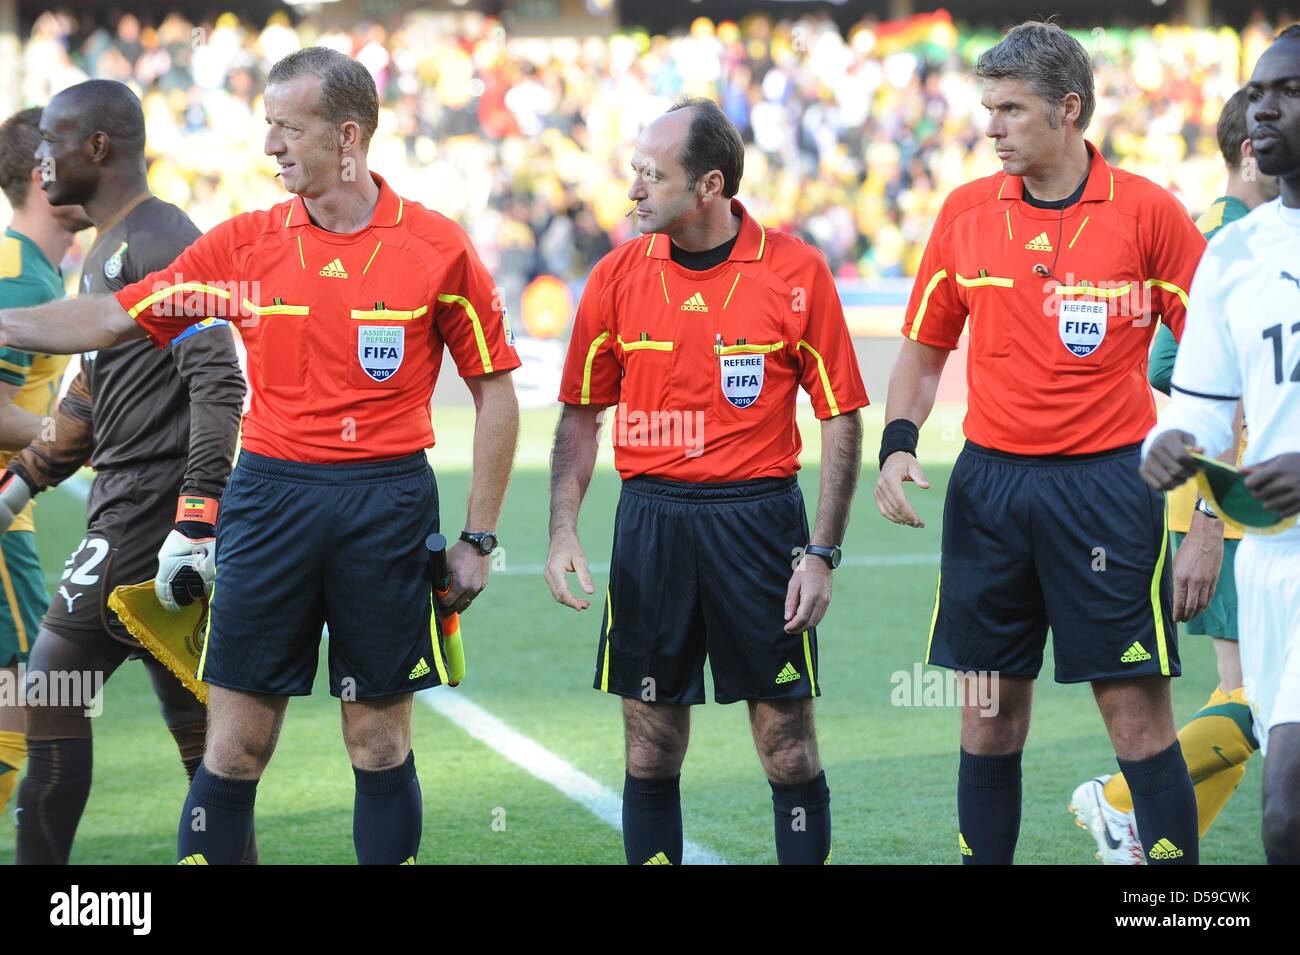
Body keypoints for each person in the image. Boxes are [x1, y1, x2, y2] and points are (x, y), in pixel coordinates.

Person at [0, 48, 521, 865]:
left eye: (288, 127)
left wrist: (479, 535)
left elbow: (495, 389)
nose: (270, 145)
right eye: (266, 125)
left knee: (378, 744)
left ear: (347, 137)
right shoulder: (243, 246)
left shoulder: (436, 247)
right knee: (234, 747)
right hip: (270, 501)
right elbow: (107, 321)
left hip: (387, 505)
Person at [875, 21, 1206, 864]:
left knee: (1134, 714)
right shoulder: (964, 214)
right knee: (987, 713)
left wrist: (1206, 512)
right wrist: (899, 442)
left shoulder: (1150, 213)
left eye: (1011, 110)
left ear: (1069, 110)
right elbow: (922, 349)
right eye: (987, 108)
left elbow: (1217, 361)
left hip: (1110, 491)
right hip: (990, 494)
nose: (991, 127)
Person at [545, 98, 866, 865]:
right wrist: (562, 527)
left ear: (710, 186)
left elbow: (841, 418)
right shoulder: (617, 275)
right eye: (634, 172)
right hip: (652, 523)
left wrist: (820, 552)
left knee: (786, 743)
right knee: (651, 741)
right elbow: (581, 416)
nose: (633, 190)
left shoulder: (794, 272)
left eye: (652, 176)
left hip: (760, 525)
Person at [0, 81, 249, 865]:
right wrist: (20, 485)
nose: (40, 163)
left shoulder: (161, 236)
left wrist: (196, 513)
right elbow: (89, 394)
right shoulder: (111, 248)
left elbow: (218, 376)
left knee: (49, 693)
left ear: (98, 149)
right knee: (201, 738)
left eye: (53, 147)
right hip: (138, 510)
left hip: (149, 518)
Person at [1072, 86, 1279, 864]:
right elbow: (1170, 358)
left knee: (1251, 694)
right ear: (1253, 153)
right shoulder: (1230, 240)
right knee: (1255, 697)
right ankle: (1124, 800)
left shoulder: (1250, 234)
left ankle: (1139, 831)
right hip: (1231, 497)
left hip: (1236, 494)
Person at [1141, 25, 1300, 865]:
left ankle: (1125, 804)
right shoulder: (1233, 251)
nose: (1261, 109)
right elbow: (1198, 412)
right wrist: (1172, 452)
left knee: (1285, 811)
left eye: (1289, 91)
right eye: (1258, 90)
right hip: (1269, 560)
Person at [0, 106, 91, 820]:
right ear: (44, 174)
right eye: (81, 154)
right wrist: (83, 435)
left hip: (14, 508)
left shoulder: (28, 268)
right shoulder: (22, 282)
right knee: (35, 697)